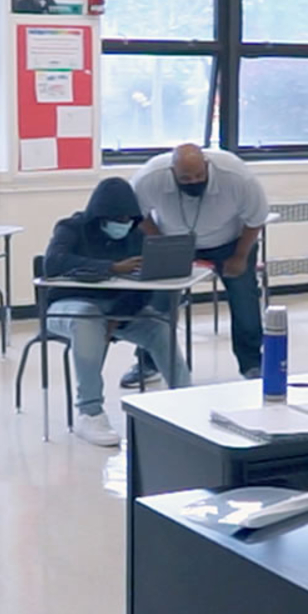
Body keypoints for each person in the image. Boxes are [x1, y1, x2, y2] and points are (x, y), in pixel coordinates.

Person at [44, 177, 190, 446]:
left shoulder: (136, 236)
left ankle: (186, 402)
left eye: (128, 218)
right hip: (67, 308)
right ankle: (90, 412)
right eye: (116, 217)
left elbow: (145, 289)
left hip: (118, 311)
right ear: (100, 215)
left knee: (159, 328)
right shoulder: (71, 228)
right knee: (87, 319)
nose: (122, 223)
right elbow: (53, 263)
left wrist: (117, 315)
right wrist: (111, 268)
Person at [125, 144, 270, 385]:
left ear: (207, 166)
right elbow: (137, 214)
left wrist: (240, 257)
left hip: (229, 242)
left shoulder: (236, 176)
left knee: (244, 297)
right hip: (173, 240)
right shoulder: (149, 178)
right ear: (172, 172)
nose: (193, 181)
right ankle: (148, 362)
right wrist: (160, 243)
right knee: (158, 301)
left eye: (199, 176)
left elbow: (255, 219)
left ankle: (252, 363)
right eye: (186, 178)